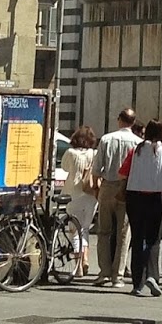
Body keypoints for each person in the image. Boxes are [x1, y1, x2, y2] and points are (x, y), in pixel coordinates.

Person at [124, 122, 162, 297]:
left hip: (134, 196)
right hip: (155, 197)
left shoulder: (136, 150)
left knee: (137, 238)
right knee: (154, 239)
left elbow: (122, 172)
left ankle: (137, 284)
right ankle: (152, 276)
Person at [91, 108, 140, 287]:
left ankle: (103, 272)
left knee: (104, 231)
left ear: (119, 120)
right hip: (127, 189)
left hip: (108, 185)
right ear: (133, 123)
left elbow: (96, 168)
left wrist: (97, 187)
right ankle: (117, 276)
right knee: (123, 233)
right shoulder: (138, 143)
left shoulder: (106, 139)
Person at [60, 126, 99, 279]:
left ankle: (78, 267)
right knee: (85, 229)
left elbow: (63, 167)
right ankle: (86, 259)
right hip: (91, 195)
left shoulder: (70, 153)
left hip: (74, 194)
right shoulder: (94, 154)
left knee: (74, 231)